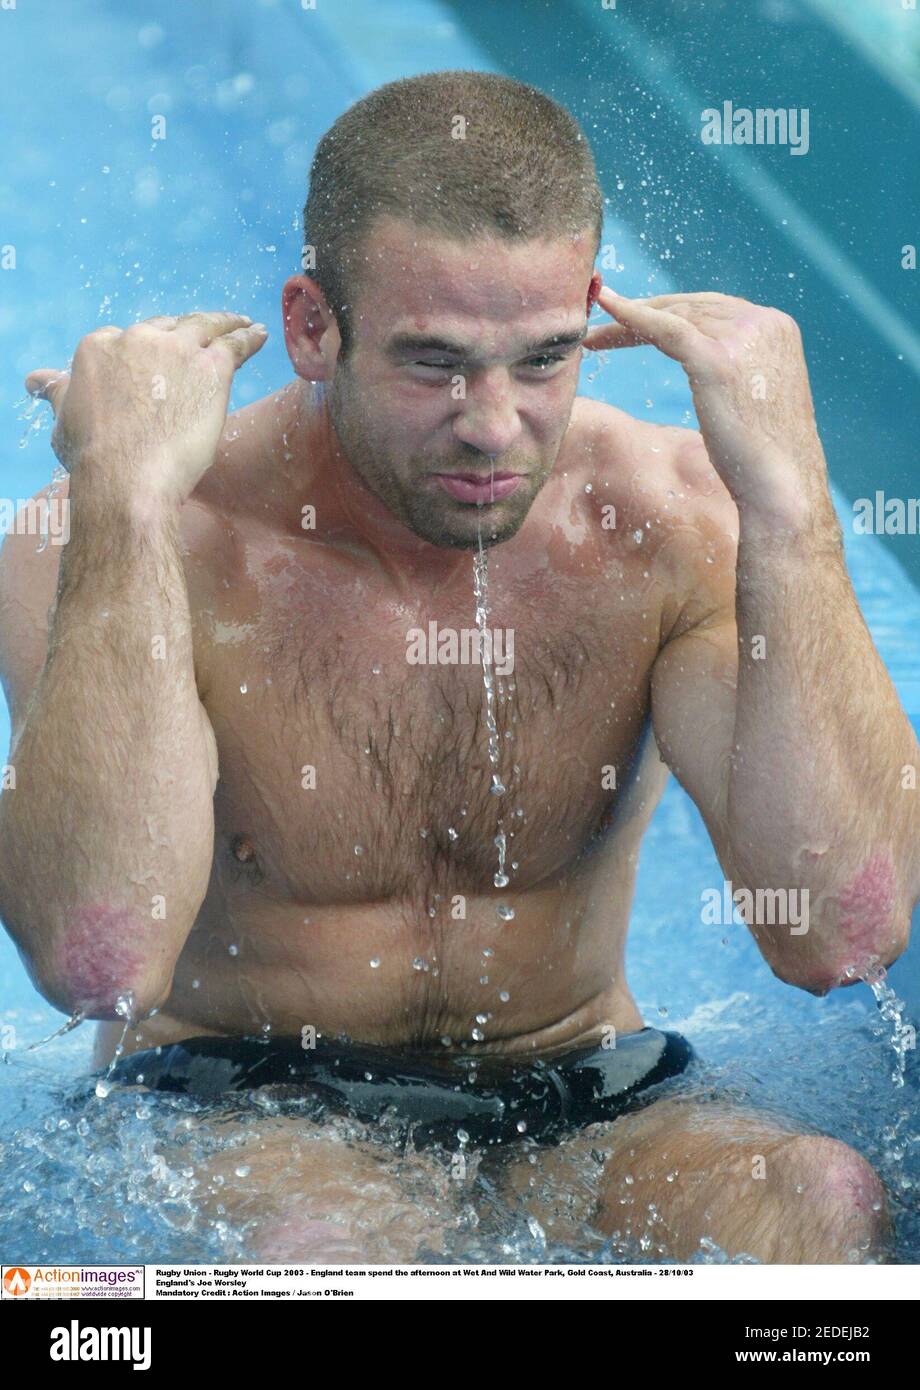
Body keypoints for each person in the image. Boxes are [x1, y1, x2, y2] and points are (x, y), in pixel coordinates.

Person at [0, 70, 916, 1264]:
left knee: (821, 1203)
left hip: (582, 1080)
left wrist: (793, 504)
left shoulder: (675, 522)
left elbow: (839, 935)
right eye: (435, 364)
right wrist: (124, 502)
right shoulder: (111, 537)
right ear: (311, 327)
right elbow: (95, 962)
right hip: (241, 1104)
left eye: (541, 360)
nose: (493, 425)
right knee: (321, 1248)